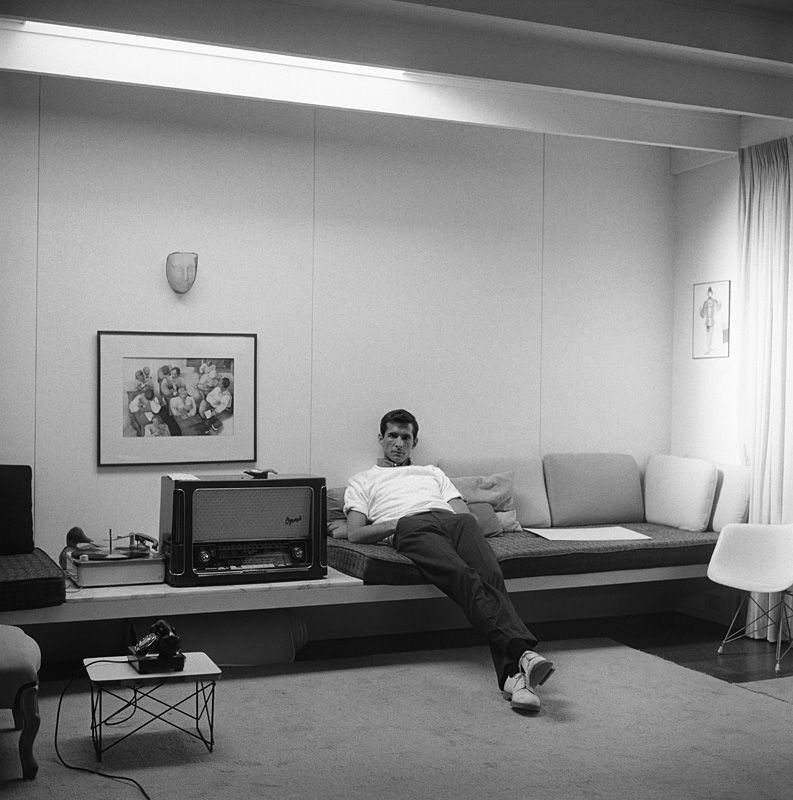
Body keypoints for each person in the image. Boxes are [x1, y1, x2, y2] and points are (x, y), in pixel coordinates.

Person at [344, 409, 555, 712]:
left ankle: (515, 673)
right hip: (411, 526)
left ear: (414, 442)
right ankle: (520, 657)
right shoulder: (363, 480)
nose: (399, 443)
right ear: (381, 438)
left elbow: (463, 513)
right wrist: (397, 523)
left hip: (455, 523)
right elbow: (354, 533)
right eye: (393, 436)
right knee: (462, 575)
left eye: (406, 437)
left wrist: (463, 521)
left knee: (491, 575)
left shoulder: (432, 472)